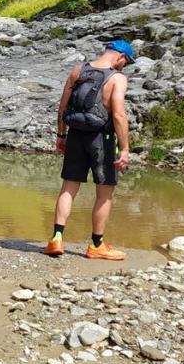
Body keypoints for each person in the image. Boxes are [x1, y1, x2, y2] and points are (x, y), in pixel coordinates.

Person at [43, 39, 136, 260]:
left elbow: (63, 106)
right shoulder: (117, 78)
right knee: (105, 193)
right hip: (102, 139)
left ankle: (56, 239)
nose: (125, 66)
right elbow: (118, 115)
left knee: (69, 187)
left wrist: (61, 135)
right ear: (121, 56)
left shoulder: (79, 70)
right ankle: (96, 244)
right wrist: (125, 149)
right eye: (126, 62)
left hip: (75, 135)